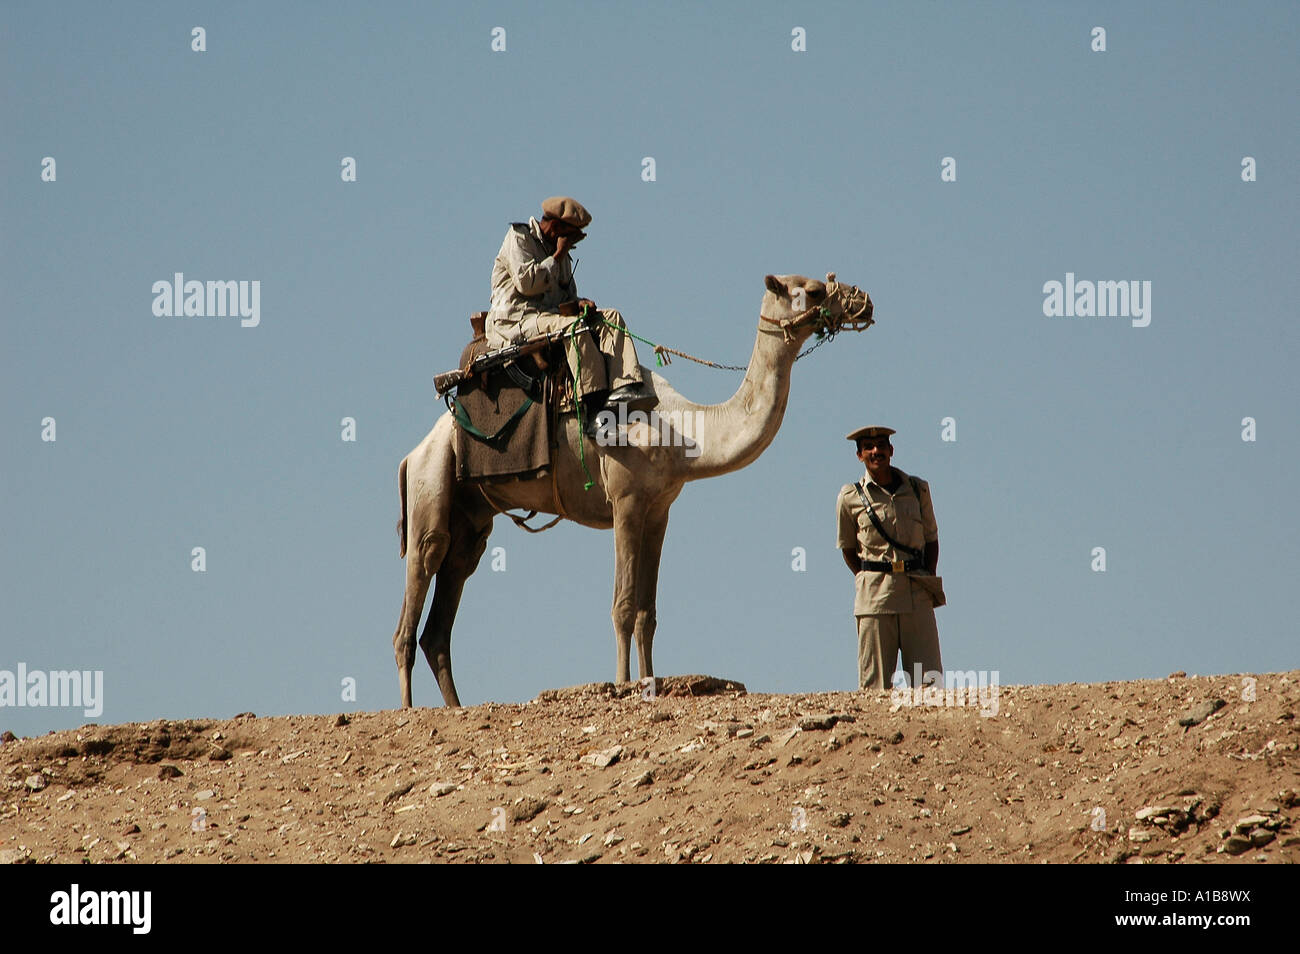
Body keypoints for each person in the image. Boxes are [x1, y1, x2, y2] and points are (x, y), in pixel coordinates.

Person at [486, 196, 657, 434]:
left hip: (548, 317)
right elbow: (528, 283)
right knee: (574, 328)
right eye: (571, 237)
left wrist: (579, 303)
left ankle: (625, 387)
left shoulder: (561, 252)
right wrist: (558, 254)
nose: (572, 244)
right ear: (556, 227)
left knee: (611, 318)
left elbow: (565, 296)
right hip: (516, 320)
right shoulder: (519, 238)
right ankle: (593, 411)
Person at [835, 426, 946, 690]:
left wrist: (923, 577)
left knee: (929, 686)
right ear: (859, 455)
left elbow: (931, 541)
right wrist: (873, 575)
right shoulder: (850, 497)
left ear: (891, 450)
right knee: (875, 689)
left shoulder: (918, 490)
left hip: (916, 595)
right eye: (869, 447)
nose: (877, 452)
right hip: (875, 601)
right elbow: (849, 550)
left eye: (882, 445)